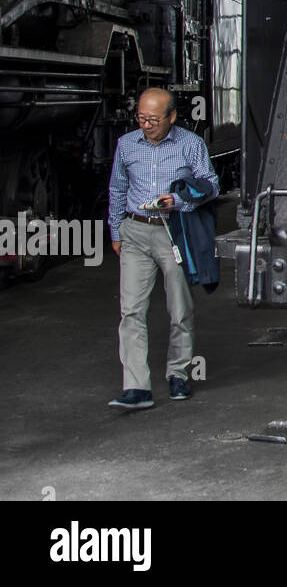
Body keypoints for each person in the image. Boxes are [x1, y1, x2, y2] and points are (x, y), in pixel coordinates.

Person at [107, 88, 219, 409]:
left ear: (171, 117)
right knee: (131, 311)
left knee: (180, 308)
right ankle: (136, 388)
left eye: (153, 119)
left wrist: (179, 200)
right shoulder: (126, 144)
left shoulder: (190, 144)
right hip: (135, 230)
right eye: (141, 118)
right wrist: (116, 230)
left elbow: (212, 185)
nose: (146, 125)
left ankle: (178, 374)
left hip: (174, 232)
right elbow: (117, 189)